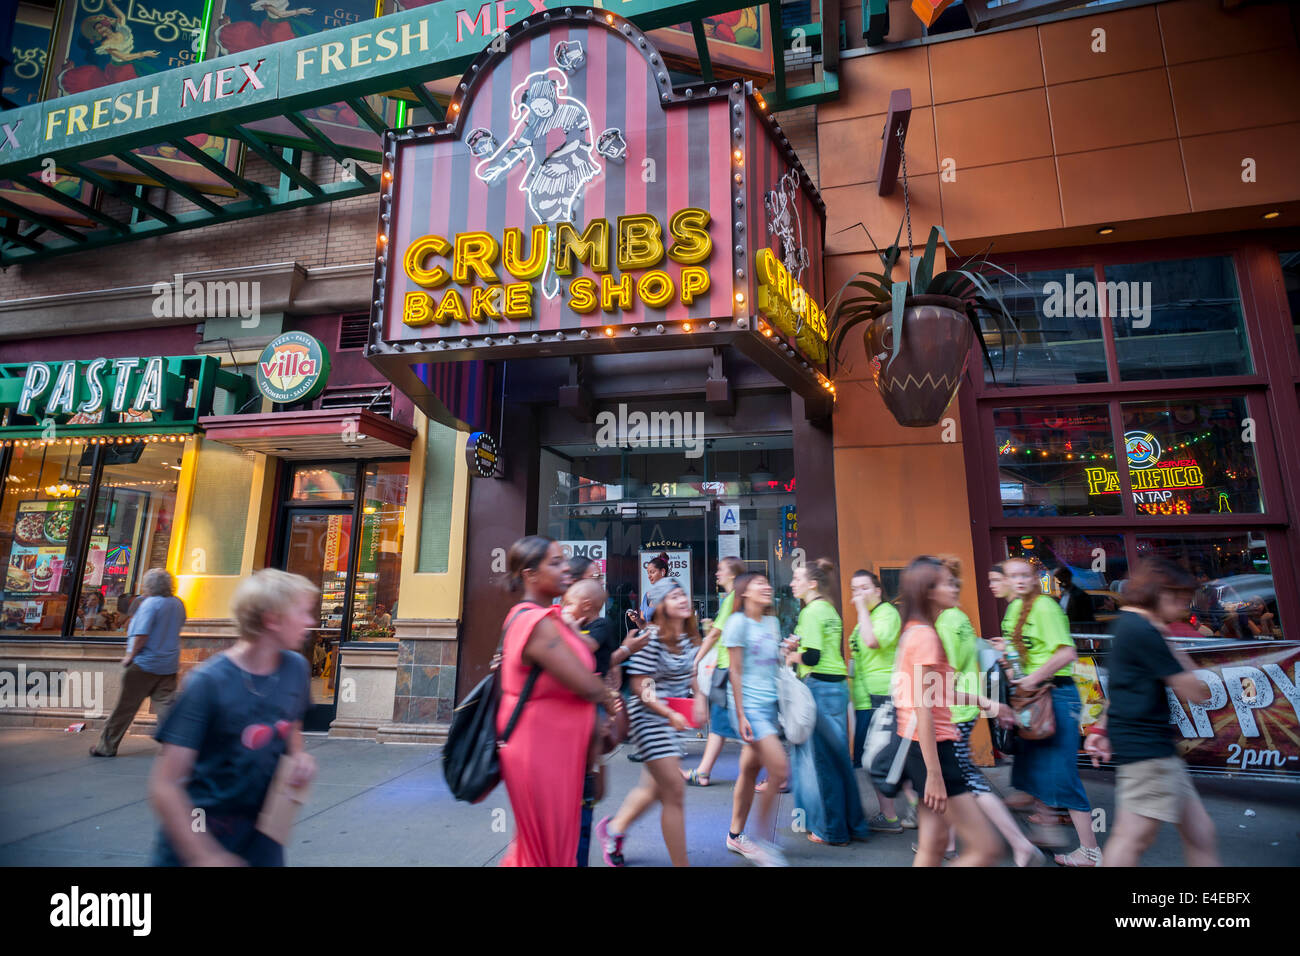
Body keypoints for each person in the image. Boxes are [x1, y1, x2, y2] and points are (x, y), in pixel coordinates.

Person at [147, 569, 316, 865]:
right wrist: (205, 856)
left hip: (261, 835)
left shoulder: (296, 669)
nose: (310, 622)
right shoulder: (207, 683)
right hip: (204, 829)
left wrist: (299, 758)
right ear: (272, 619)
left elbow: (291, 727)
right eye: (302, 612)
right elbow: (166, 785)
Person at [496, 537, 622, 867]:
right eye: (554, 562)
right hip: (540, 750)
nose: (565, 567)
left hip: (560, 752)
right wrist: (609, 699)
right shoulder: (533, 622)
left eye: (563, 560)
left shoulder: (550, 618)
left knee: (555, 847)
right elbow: (583, 680)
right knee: (546, 851)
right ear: (529, 574)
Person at [1085, 559, 1218, 867]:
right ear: (1163, 594)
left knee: (1201, 833)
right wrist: (1171, 642)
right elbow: (1197, 693)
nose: (1184, 608)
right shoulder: (1146, 631)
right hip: (1149, 752)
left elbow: (1119, 690)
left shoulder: (1126, 624)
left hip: (1151, 749)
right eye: (1182, 599)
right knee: (1132, 839)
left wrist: (1101, 731)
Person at [893, 557, 1007, 867]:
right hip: (935, 751)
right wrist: (934, 774)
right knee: (986, 849)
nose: (954, 586)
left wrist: (988, 703)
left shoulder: (918, 630)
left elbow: (935, 693)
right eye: (946, 582)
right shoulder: (926, 636)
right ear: (928, 591)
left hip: (924, 747)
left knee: (934, 844)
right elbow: (924, 707)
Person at [934, 556, 1045, 867]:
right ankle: (949, 842)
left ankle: (1018, 843)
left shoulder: (947, 622)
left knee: (967, 779)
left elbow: (946, 675)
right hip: (963, 708)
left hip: (955, 710)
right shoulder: (956, 617)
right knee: (955, 778)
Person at [996, 558, 1102, 867]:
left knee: (1062, 774)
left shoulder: (1045, 608)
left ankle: (1091, 852)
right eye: (1012, 575)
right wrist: (1010, 663)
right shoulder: (1014, 609)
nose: (1018, 581)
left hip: (1056, 695)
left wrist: (1031, 677)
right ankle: (1046, 828)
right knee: (1036, 763)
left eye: (1023, 575)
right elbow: (1021, 652)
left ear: (1034, 577)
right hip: (1032, 698)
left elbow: (1067, 653)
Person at [597, 576, 704, 867]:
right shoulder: (651, 638)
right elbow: (642, 687)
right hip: (649, 717)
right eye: (673, 597)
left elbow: (693, 675)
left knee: (652, 789)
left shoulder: (688, 637)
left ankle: (614, 829)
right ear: (660, 606)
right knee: (674, 792)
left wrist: (701, 700)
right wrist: (668, 713)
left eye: (683, 595)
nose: (682, 600)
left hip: (671, 717)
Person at [562, 577, 649, 867]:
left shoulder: (599, 625)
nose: (564, 608)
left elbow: (587, 649)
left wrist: (568, 628)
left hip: (593, 699)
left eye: (569, 603)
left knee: (591, 765)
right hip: (579, 703)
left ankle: (593, 797)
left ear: (586, 606)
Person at [786, 558, 870, 846]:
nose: (792, 584)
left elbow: (812, 657)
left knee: (822, 764)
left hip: (818, 687)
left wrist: (789, 655)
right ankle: (854, 825)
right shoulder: (830, 609)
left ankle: (831, 830)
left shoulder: (810, 612)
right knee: (840, 761)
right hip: (837, 687)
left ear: (812, 583)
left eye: (797, 579)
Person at [722, 572, 790, 866]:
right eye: (758, 583)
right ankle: (763, 843)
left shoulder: (773, 623)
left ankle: (735, 836)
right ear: (744, 593)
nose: (766, 586)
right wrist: (741, 714)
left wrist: (787, 652)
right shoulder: (737, 623)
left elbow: (772, 664)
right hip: (749, 708)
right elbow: (735, 671)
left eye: (767, 582)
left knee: (749, 771)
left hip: (770, 705)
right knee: (779, 771)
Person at [90, 569, 186, 758]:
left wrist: (130, 656)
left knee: (125, 707)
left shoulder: (150, 604)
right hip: (168, 664)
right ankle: (175, 746)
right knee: (166, 706)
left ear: (150, 586)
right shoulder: (177, 603)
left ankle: (106, 746)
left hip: (144, 664)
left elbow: (142, 634)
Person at [847, 568, 910, 832]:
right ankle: (911, 810)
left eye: (864, 588)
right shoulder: (869, 617)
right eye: (854, 589)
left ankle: (891, 816)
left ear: (877, 590)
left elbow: (872, 643)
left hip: (883, 695)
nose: (859, 594)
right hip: (865, 698)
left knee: (878, 760)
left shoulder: (885, 614)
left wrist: (861, 609)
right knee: (883, 759)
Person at [684, 556, 745, 787]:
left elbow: (715, 635)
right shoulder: (734, 600)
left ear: (732, 575)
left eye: (720, 570)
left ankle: (773, 769)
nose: (716, 573)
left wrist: (696, 659)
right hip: (727, 667)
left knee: (733, 723)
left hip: (728, 669)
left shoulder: (732, 599)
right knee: (719, 723)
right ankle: (703, 772)